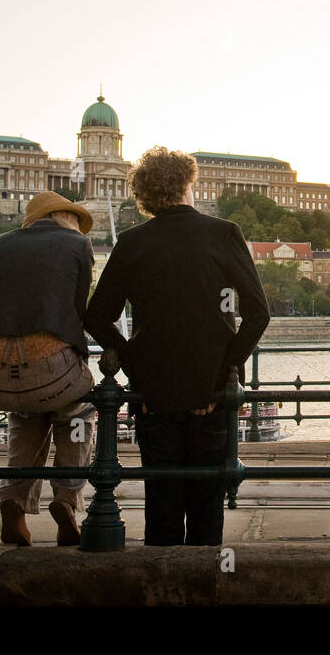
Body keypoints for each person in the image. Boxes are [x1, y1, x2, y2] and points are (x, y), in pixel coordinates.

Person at [85, 147, 269, 546]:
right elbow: (258, 314)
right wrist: (224, 370)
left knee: (162, 506)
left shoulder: (132, 242)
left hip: (154, 393)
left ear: (145, 196)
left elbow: (96, 317)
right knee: (207, 508)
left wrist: (135, 363)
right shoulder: (224, 233)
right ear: (189, 184)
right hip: (211, 393)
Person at [0, 191, 98, 548]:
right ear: (64, 218)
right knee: (78, 412)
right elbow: (79, 308)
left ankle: (14, 499)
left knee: (26, 413)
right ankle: (66, 499)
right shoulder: (78, 246)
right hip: (50, 369)